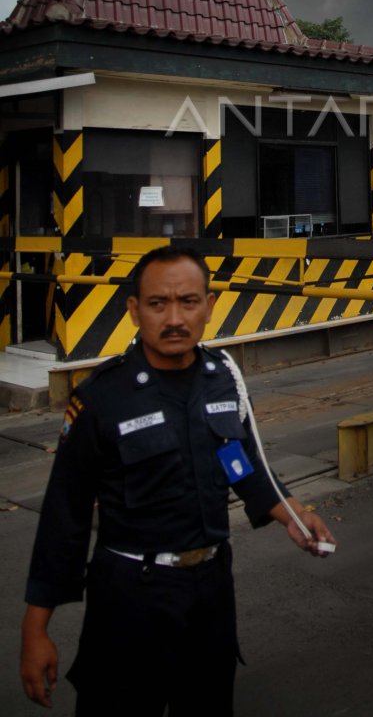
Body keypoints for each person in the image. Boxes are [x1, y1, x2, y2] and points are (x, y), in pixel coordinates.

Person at [20, 245, 336, 714]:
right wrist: (35, 631)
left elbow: (239, 461)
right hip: (131, 598)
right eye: (157, 303)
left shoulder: (221, 379)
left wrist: (292, 512)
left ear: (208, 306)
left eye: (188, 302)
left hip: (210, 593)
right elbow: (63, 515)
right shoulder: (102, 398)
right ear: (134, 311)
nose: (174, 318)